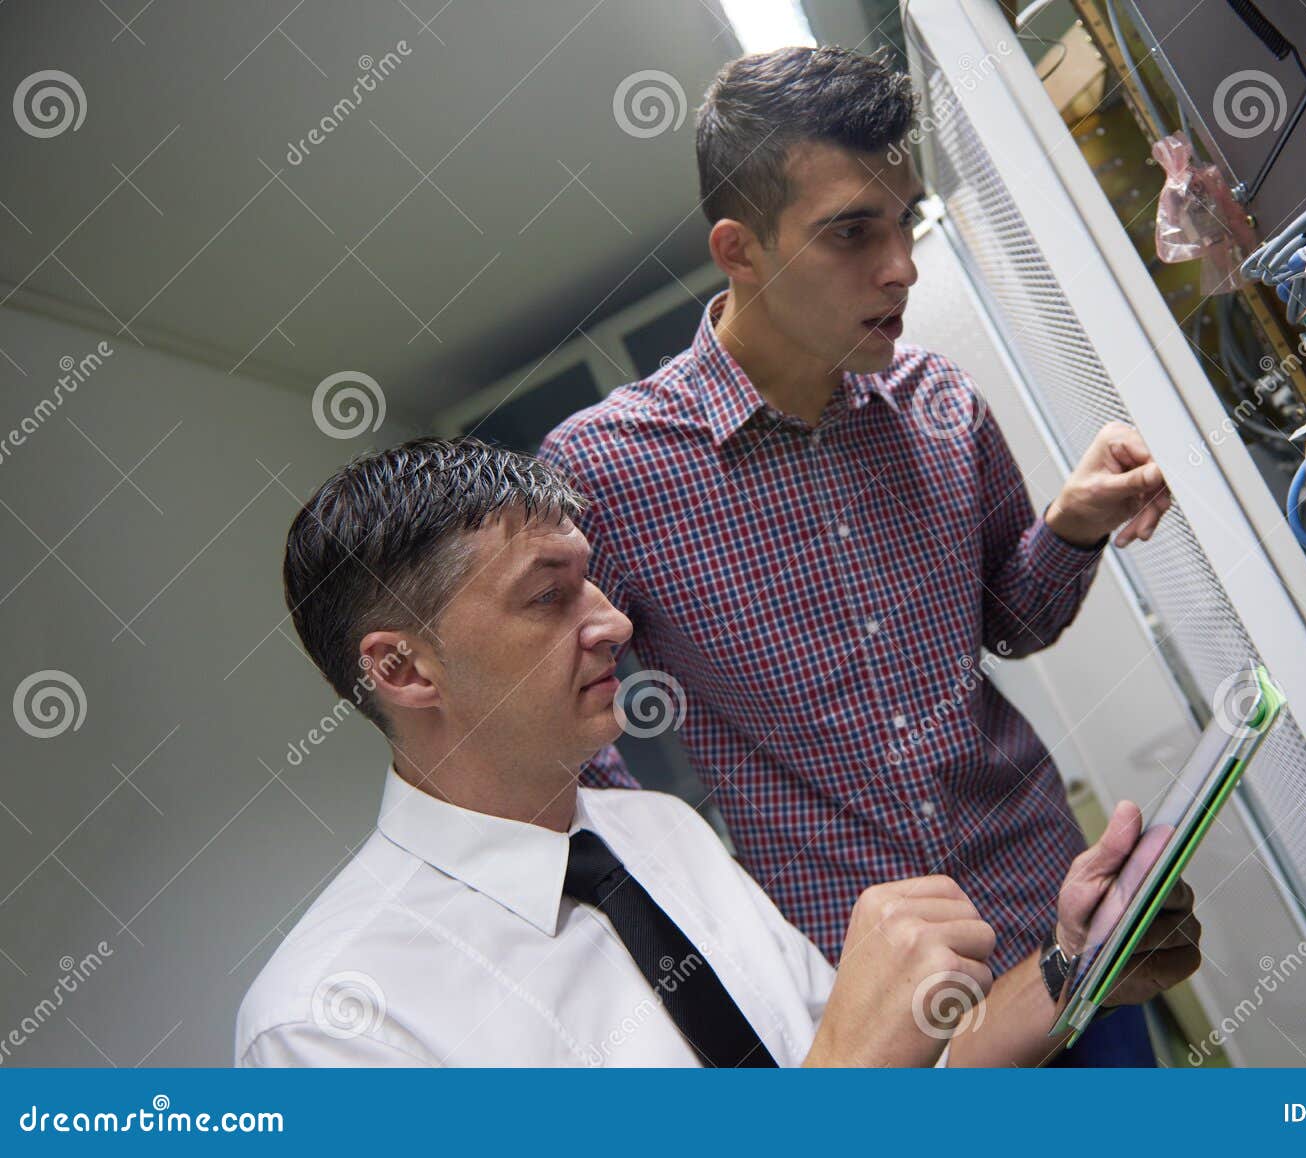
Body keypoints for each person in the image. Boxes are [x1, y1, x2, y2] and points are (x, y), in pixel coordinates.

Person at [539, 46, 1173, 1064]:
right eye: (851, 232)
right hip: (866, 994)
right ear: (739, 248)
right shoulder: (603, 468)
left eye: (905, 221)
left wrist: (1072, 527)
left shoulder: (940, 403)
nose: (901, 266)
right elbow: (575, 738)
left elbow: (1013, 623)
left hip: (1058, 922)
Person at [235, 437, 1198, 1066]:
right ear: (404, 668)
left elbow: (909, 1072)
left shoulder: (659, 833)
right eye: (547, 595)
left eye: (593, 582)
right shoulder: (330, 1022)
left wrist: (1077, 962)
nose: (612, 621)